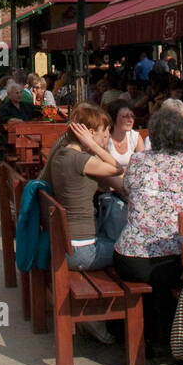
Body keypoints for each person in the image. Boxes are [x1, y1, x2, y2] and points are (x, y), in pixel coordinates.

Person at [113, 105, 183, 348]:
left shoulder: (139, 160)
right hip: (180, 260)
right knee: (169, 276)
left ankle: (147, 335)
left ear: (153, 135)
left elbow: (127, 191)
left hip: (135, 259)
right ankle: (168, 335)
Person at [40, 104, 122, 271]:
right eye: (103, 132)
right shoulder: (81, 159)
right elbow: (117, 168)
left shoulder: (62, 152)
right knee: (128, 250)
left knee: (115, 239)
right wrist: (93, 146)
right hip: (82, 252)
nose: (106, 137)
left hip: (65, 245)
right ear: (89, 134)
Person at [106, 98, 144, 170]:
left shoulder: (135, 137)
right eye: (125, 116)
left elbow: (142, 164)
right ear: (113, 118)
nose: (130, 120)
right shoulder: (105, 137)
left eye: (132, 116)